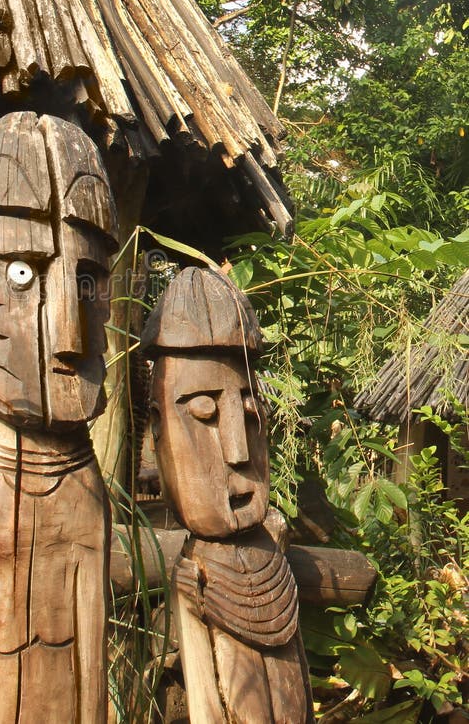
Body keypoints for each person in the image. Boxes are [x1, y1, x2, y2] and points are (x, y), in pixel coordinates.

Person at [0, 111, 117, 723]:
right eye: (22, 273)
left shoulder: (86, 485)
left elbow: (93, 675)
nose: (69, 335)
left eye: (88, 284)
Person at [141, 267, 314, 723]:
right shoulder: (189, 574)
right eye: (205, 412)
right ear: (158, 427)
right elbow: (205, 698)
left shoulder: (273, 542)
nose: (238, 451)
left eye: (251, 413)